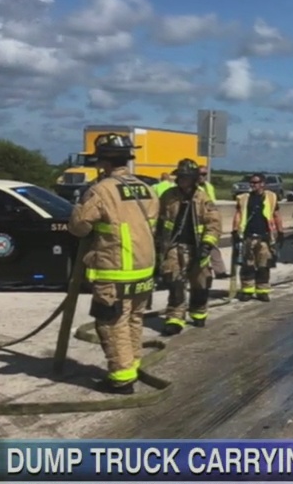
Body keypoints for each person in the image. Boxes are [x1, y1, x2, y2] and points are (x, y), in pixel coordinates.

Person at [67, 134, 159, 395]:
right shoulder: (147, 189)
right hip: (144, 269)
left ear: (102, 162)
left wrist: (79, 205)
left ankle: (121, 378)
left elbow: (79, 227)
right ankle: (132, 364)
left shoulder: (101, 190)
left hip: (115, 270)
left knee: (111, 323)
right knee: (133, 319)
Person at [157, 159, 222, 336]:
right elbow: (158, 219)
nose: (183, 180)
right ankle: (175, 318)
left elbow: (214, 223)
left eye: (186, 177)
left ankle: (198, 311)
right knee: (174, 282)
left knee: (200, 283)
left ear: (193, 179)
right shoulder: (168, 196)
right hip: (173, 246)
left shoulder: (202, 198)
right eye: (181, 177)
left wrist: (207, 244)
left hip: (198, 247)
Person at [233, 173, 283, 301]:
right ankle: (247, 290)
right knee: (247, 266)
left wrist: (280, 232)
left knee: (263, 266)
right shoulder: (243, 198)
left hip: (264, 237)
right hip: (248, 236)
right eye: (251, 182)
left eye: (255, 182)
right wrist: (235, 232)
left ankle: (262, 291)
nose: (253, 185)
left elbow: (276, 215)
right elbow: (238, 214)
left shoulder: (271, 197)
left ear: (262, 184)